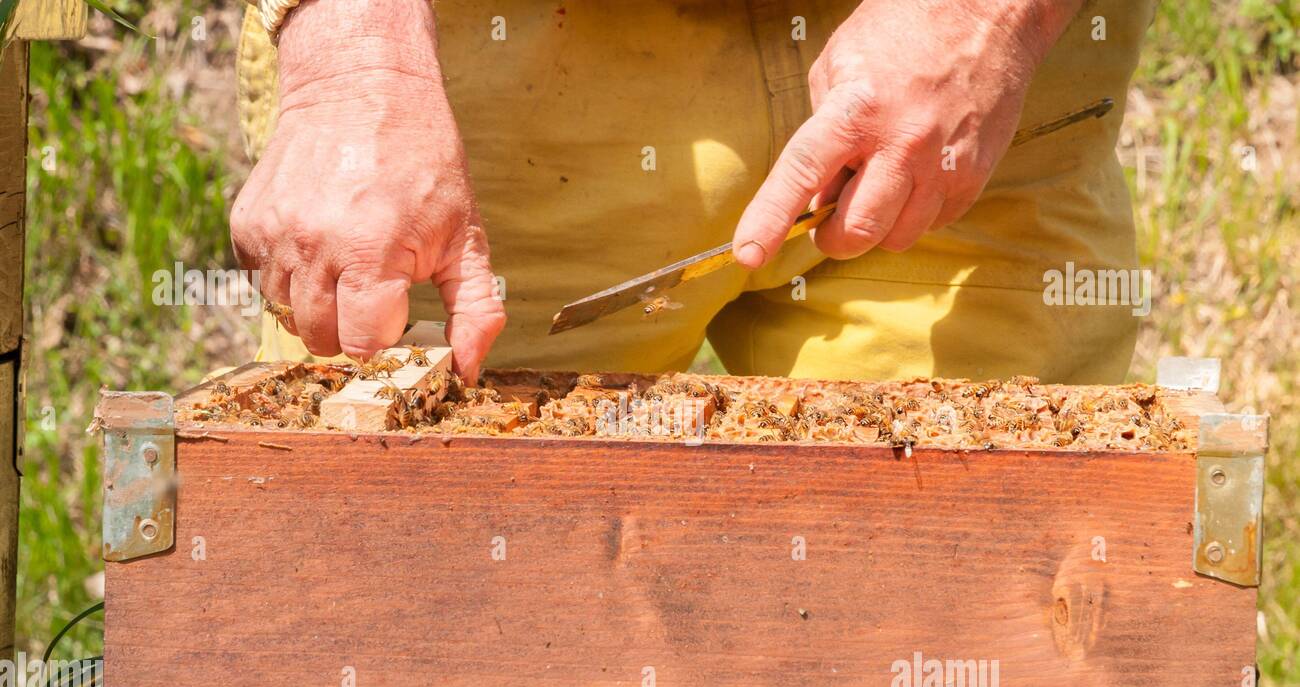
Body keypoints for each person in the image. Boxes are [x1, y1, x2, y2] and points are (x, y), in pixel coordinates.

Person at [231, 0, 1154, 386]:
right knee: (403, 611)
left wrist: (984, 18)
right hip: (489, 61)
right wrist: (355, 56)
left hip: (961, 81)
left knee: (994, 630)